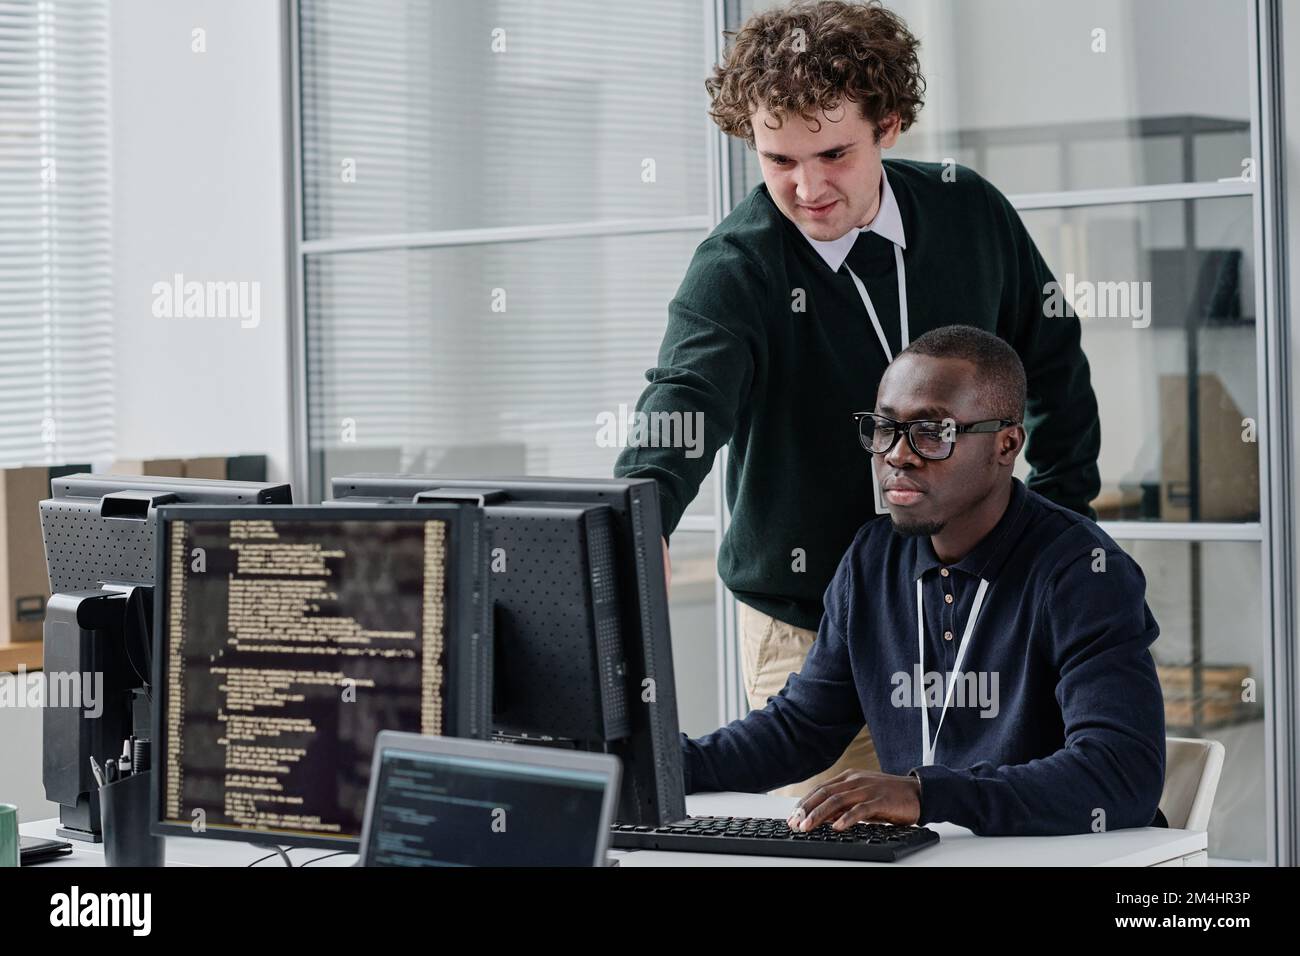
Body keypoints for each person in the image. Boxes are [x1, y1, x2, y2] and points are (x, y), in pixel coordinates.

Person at [613, 0, 1101, 796]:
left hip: (983, 607)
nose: (807, 188)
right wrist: (639, 519)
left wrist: (1061, 530)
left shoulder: (965, 210)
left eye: (834, 153)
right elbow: (683, 403)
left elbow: (1053, 366)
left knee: (987, 826)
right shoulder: (738, 268)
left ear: (890, 123)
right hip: (810, 628)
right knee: (847, 835)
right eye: (777, 160)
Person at [681, 326, 1166, 836]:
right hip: (939, 853)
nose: (897, 454)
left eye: (933, 432)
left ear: (1006, 445)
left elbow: (1122, 774)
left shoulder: (1082, 572)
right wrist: (662, 763)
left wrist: (925, 794)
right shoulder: (872, 558)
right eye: (885, 429)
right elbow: (801, 728)